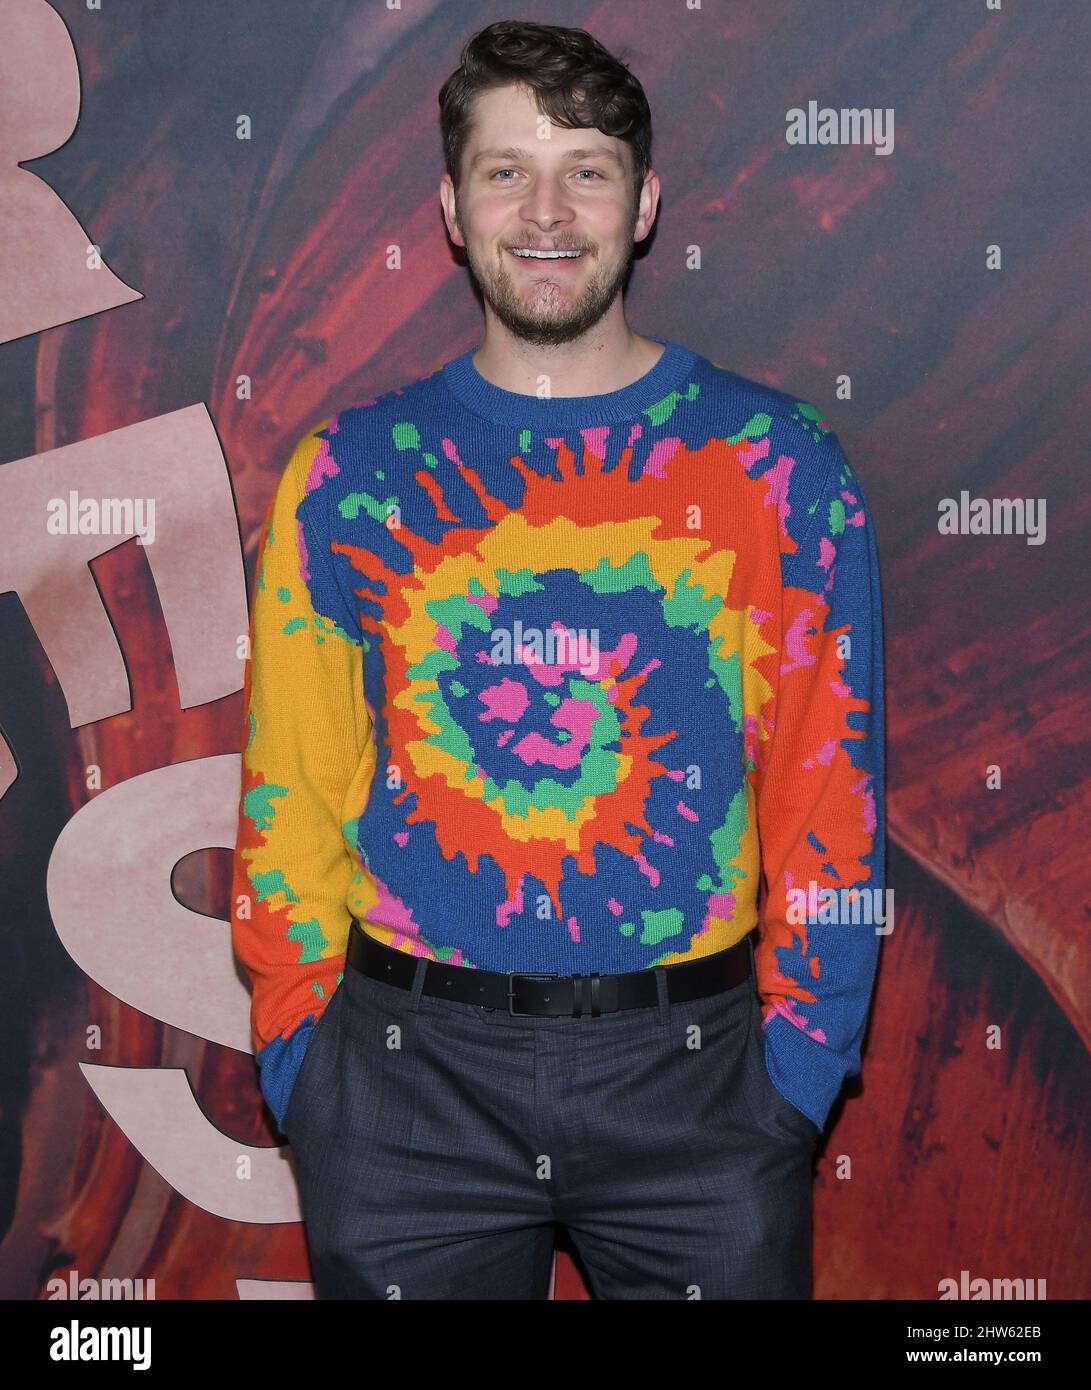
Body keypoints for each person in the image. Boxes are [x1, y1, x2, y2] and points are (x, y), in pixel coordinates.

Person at [231, 18, 886, 1301]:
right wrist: (304, 1057)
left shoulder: (776, 466)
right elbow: (287, 791)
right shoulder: (350, 476)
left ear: (644, 206)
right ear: (449, 206)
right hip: (403, 1088)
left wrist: (799, 1071)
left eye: (584, 168)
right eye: (504, 169)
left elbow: (831, 800)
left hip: (703, 1084)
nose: (545, 210)